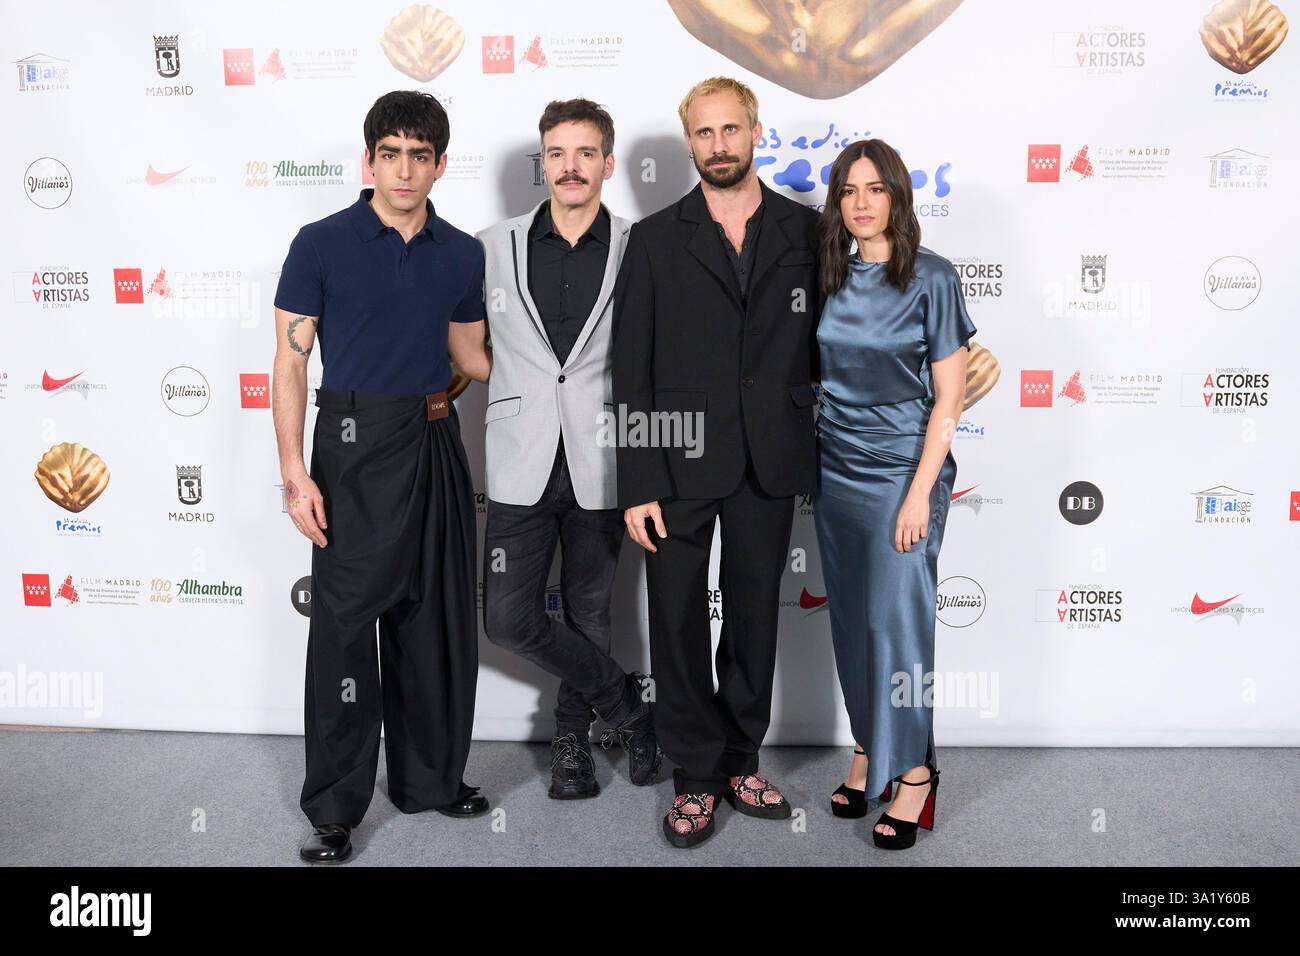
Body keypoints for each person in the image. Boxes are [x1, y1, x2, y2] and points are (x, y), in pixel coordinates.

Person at [271, 90, 493, 864]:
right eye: (391, 153)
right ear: (370, 160)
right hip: (352, 445)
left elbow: (473, 360)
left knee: (434, 621)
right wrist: (295, 470)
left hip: (435, 438)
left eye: (421, 155)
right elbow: (291, 362)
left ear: (439, 162)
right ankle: (334, 808)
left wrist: (562, 364)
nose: (405, 169)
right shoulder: (320, 243)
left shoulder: (464, 252)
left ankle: (431, 780)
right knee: (341, 633)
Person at [612, 76, 820, 848]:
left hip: (771, 457)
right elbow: (630, 369)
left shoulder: (807, 233)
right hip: (675, 459)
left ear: (756, 132)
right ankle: (694, 774)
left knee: (755, 615)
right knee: (673, 620)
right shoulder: (657, 238)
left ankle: (741, 758)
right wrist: (637, 480)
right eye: (704, 133)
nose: (719, 145)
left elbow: (844, 333)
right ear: (689, 142)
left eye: (732, 130)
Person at [476, 99, 661, 800]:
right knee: (506, 617)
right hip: (520, 456)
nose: (570, 166)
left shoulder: (641, 247)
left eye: (585, 153)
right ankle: (628, 708)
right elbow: (465, 340)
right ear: (543, 162)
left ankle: (571, 746)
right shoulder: (492, 245)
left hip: (604, 458)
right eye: (557, 152)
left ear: (608, 164)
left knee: (589, 612)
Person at [814, 138, 975, 850]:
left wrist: (918, 494)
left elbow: (949, 400)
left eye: (875, 189)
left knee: (900, 626)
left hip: (905, 472)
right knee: (853, 622)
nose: (861, 203)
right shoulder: (827, 275)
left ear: (898, 197)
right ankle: (867, 749)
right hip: (836, 470)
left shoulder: (932, 279)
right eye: (848, 191)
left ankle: (913, 771)